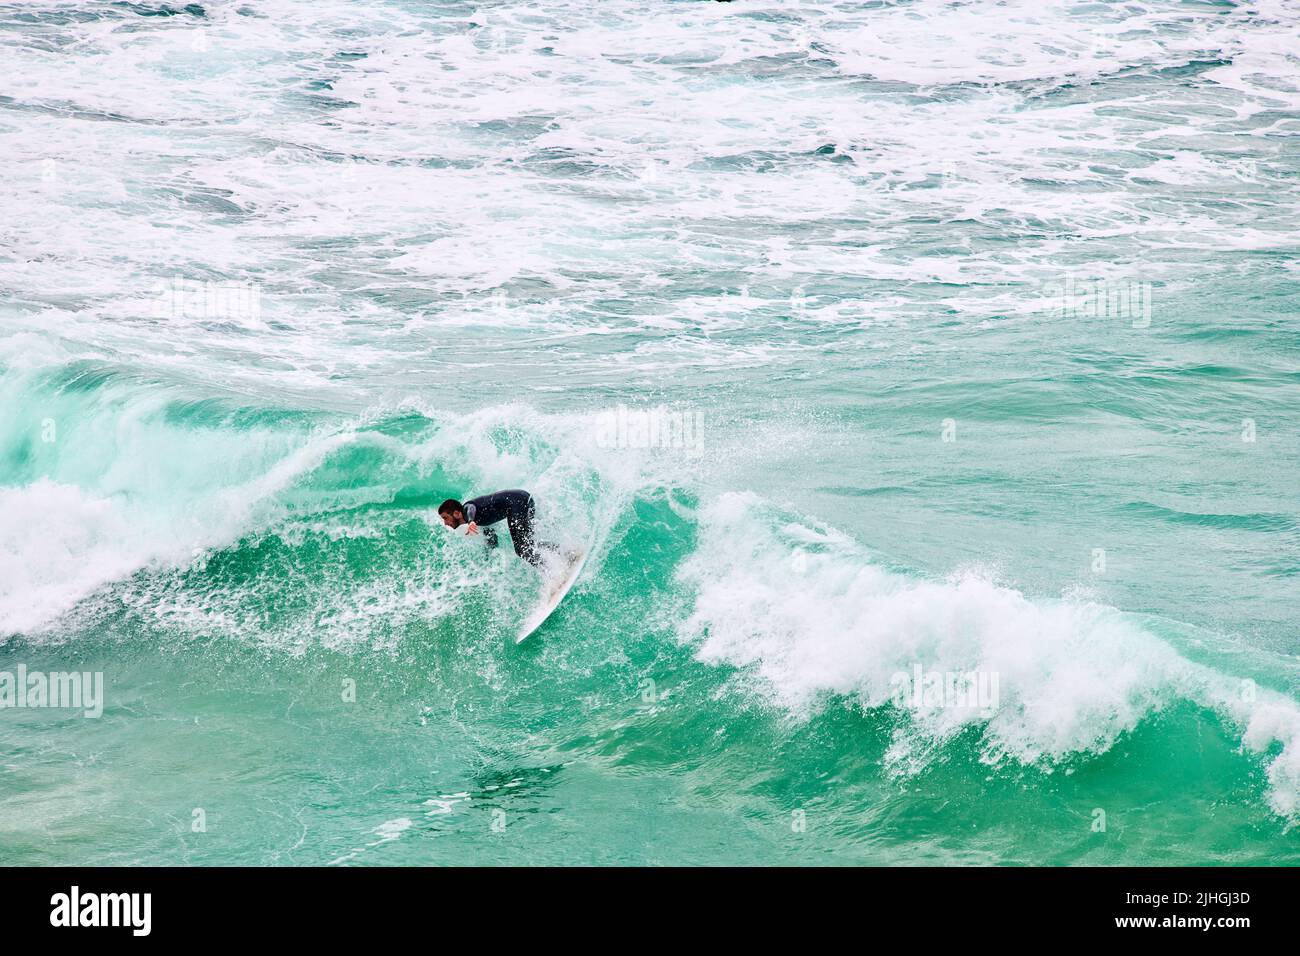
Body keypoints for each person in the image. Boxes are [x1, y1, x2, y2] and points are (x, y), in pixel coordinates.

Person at [438, 489, 555, 568]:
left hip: (517, 502)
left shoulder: (468, 509)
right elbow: (490, 534)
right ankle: (564, 554)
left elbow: (471, 508)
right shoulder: (478, 518)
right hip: (523, 498)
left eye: (446, 518)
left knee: (522, 550)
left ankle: (551, 571)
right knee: (528, 544)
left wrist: (471, 521)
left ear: (457, 513)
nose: (445, 523)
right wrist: (489, 554)